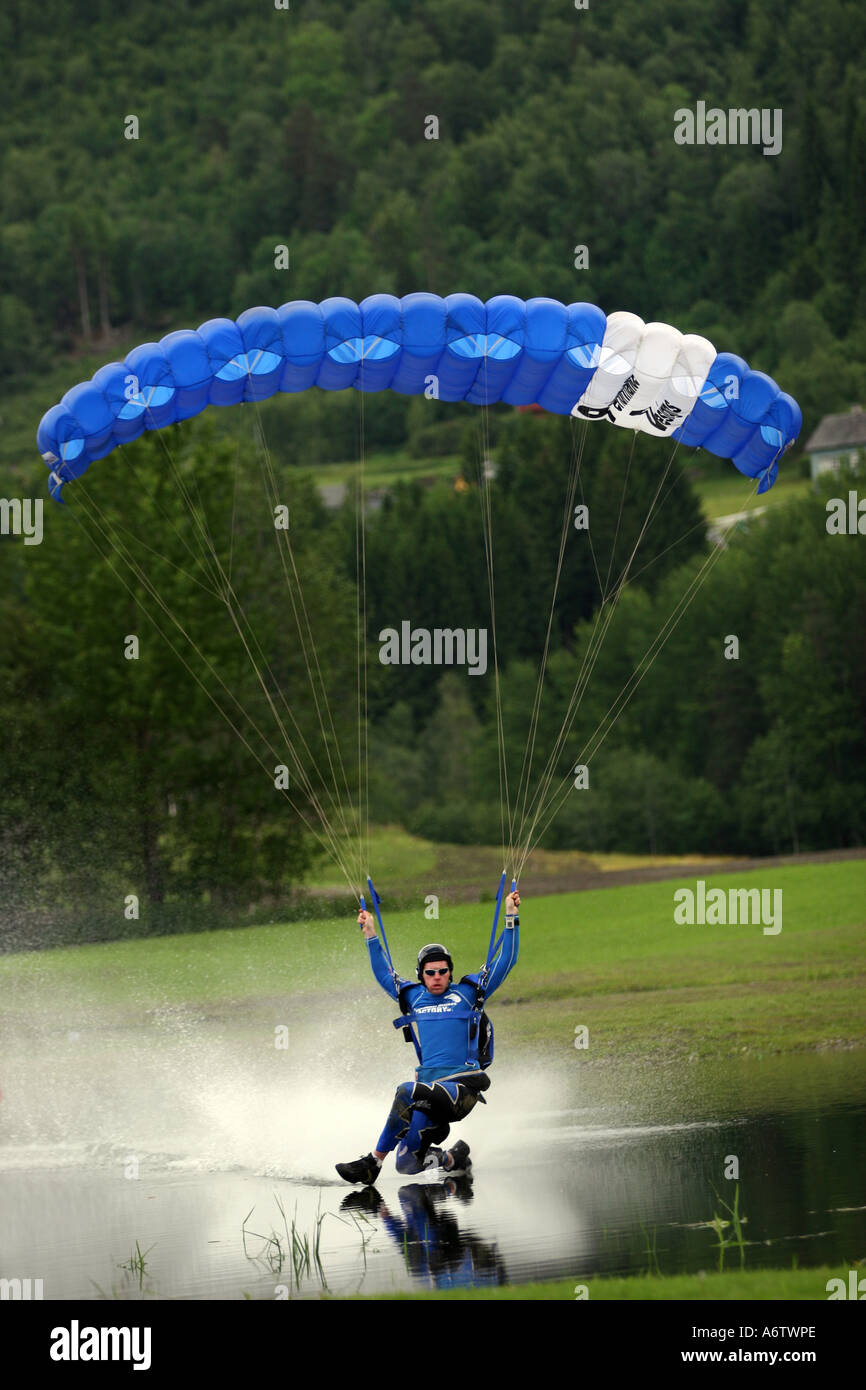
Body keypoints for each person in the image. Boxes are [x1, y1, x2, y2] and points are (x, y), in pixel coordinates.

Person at [335, 890, 520, 1184]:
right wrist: (370, 934)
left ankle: (371, 1163)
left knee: (405, 1091)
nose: (437, 976)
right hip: (428, 1092)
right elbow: (383, 972)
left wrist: (511, 917)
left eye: (443, 971)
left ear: (450, 973)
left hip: (461, 1088)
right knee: (407, 1164)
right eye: (430, 972)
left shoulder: (469, 993)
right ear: (421, 974)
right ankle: (452, 1158)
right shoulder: (412, 997)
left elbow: (506, 959)